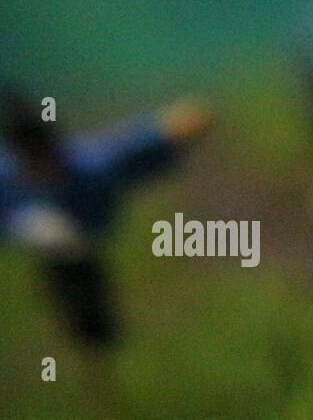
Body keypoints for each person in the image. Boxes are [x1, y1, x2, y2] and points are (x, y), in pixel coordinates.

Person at [0, 93, 212, 349]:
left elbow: (179, 124)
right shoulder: (9, 180)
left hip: (85, 249)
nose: (41, 170)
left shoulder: (95, 166)